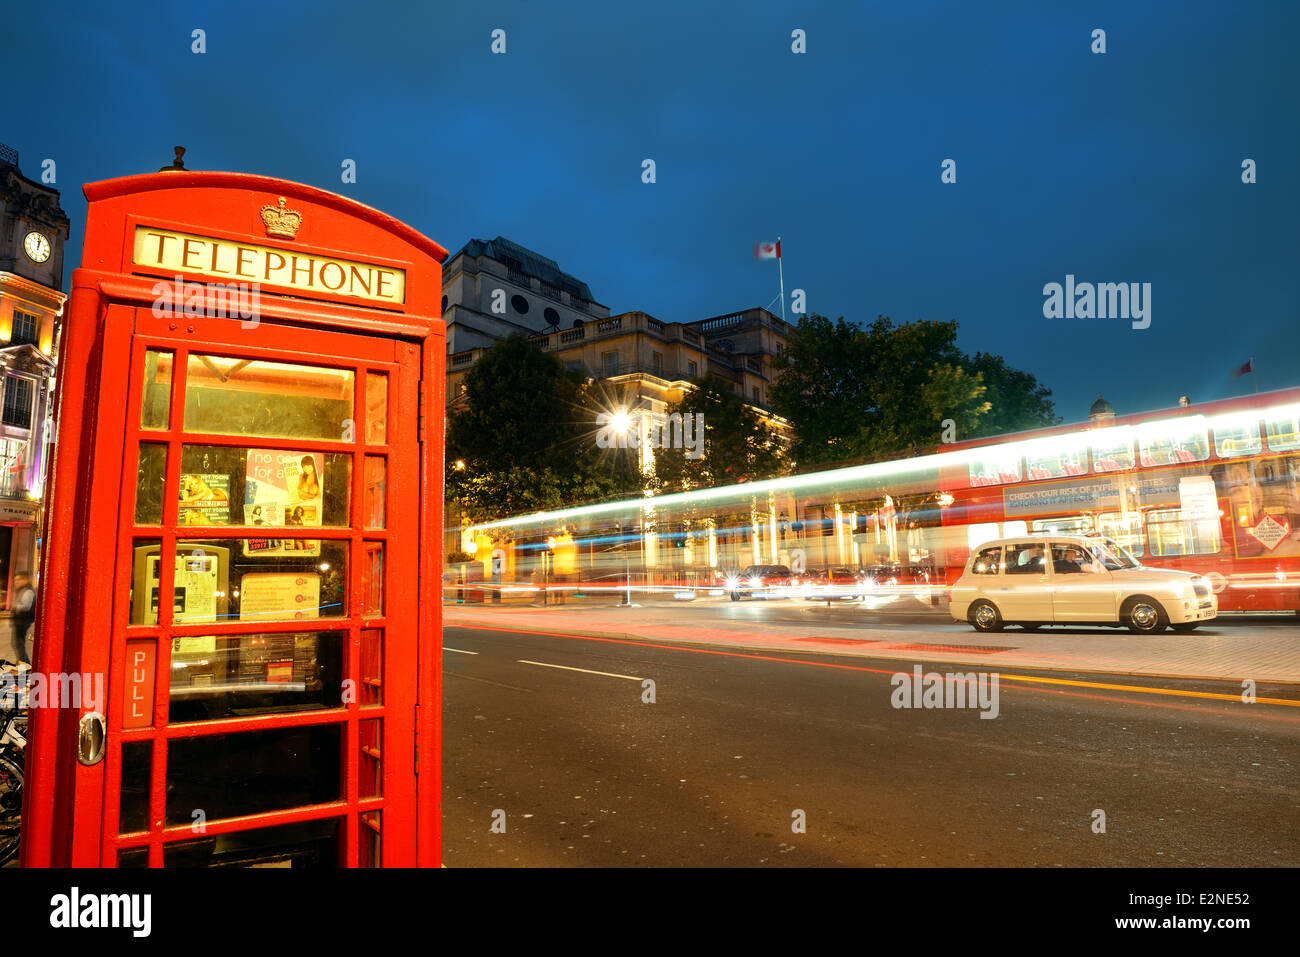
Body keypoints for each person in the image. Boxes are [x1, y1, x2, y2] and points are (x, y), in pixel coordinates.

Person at [9, 573, 35, 667]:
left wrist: (14, 606)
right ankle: (23, 663)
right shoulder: (23, 590)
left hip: (23, 621)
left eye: (18, 580)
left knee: (19, 644)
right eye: (15, 580)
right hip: (20, 621)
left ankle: (25, 664)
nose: (16, 582)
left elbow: (26, 606)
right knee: (17, 643)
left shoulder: (28, 591)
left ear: (25, 580)